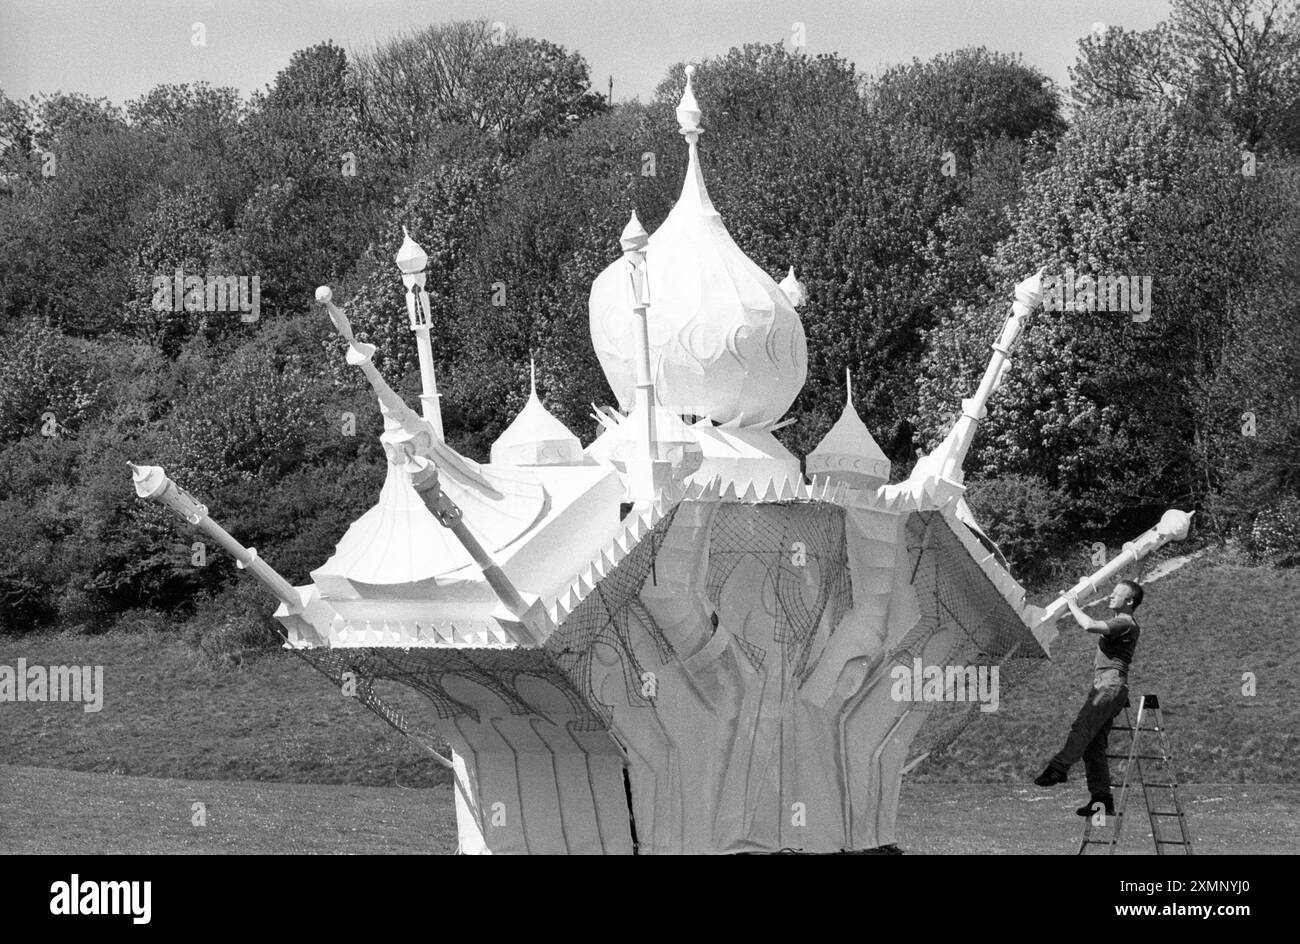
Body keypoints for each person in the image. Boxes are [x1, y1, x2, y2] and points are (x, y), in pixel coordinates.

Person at [1033, 579, 1144, 817]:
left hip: (1109, 685)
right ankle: (1102, 801)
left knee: (1082, 727)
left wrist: (1071, 603)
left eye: (1117, 594)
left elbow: (1090, 625)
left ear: (1130, 601)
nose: (1111, 596)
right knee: (1094, 748)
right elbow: (1135, 583)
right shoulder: (1125, 619)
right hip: (1109, 686)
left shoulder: (1124, 622)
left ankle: (1058, 768)